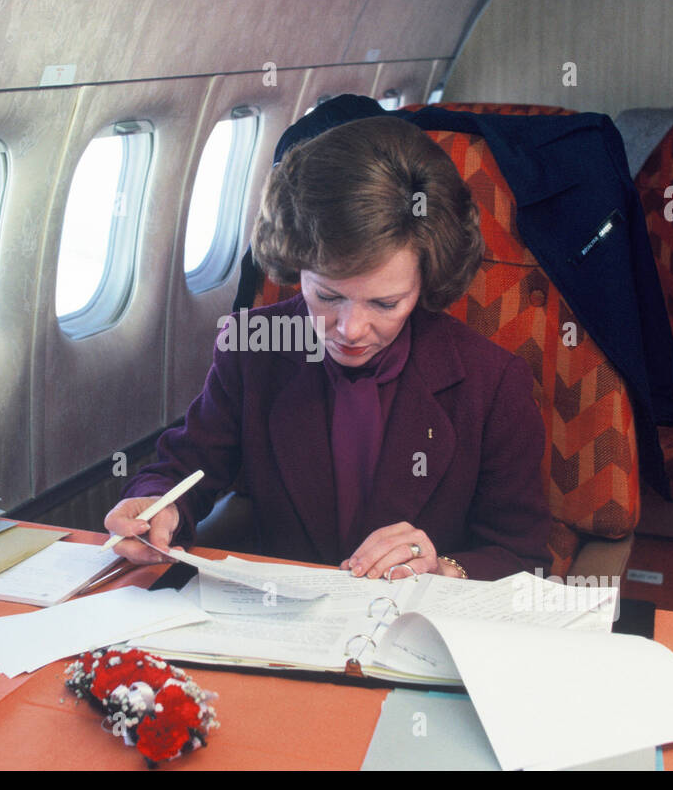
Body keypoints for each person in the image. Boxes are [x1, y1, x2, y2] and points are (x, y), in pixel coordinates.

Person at [105, 116, 552, 581]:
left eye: (385, 302)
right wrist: (158, 505)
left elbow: (523, 561)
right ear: (297, 266)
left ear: (426, 283)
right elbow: (189, 467)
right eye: (329, 296)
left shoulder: (493, 384)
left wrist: (443, 569)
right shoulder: (252, 348)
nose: (350, 329)